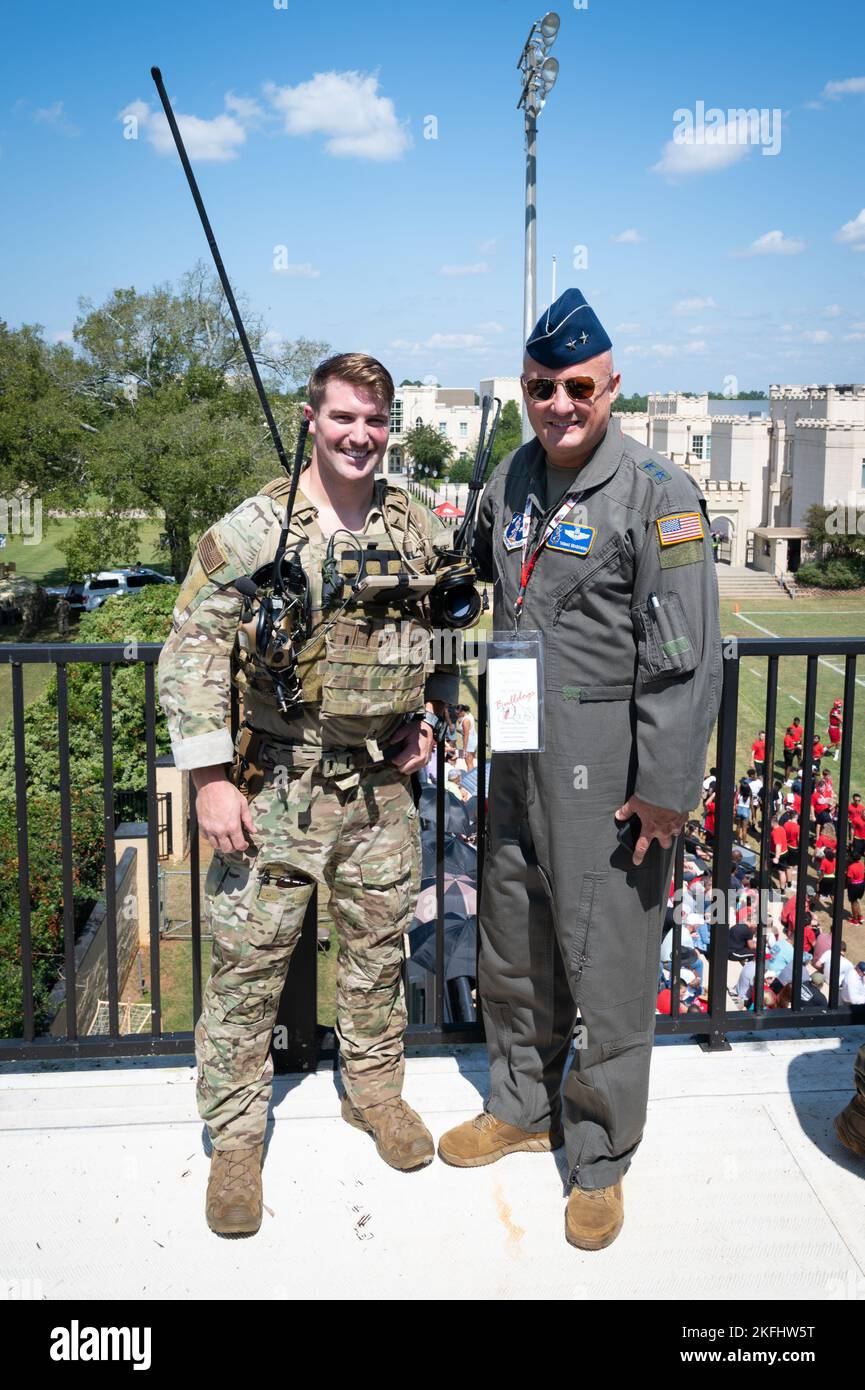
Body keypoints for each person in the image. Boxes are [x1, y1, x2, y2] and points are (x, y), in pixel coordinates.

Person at [435, 287, 723, 1251]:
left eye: (576, 387)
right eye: (539, 387)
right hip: (513, 745)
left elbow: (684, 658)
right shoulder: (511, 476)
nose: (558, 403)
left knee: (605, 960)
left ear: (610, 386)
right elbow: (475, 570)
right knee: (511, 941)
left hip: (609, 767)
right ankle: (519, 1105)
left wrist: (664, 790)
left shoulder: (656, 494)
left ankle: (598, 1155)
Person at [158, 353, 460, 1235]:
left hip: (377, 789)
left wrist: (433, 718)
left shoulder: (412, 527)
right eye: (342, 418)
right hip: (274, 786)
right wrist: (210, 780)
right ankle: (237, 1143)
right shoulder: (259, 530)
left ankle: (373, 1095)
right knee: (247, 975)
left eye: (374, 419)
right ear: (310, 419)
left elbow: (447, 621)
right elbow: (194, 652)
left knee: (375, 958)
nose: (359, 435)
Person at [456, 703, 477, 773]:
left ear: (462, 712)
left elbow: (466, 735)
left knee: (469, 763)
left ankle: (471, 779)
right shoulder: (469, 715)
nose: (457, 715)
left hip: (469, 742)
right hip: (473, 740)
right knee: (471, 761)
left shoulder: (465, 721)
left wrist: (464, 749)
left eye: (458, 713)